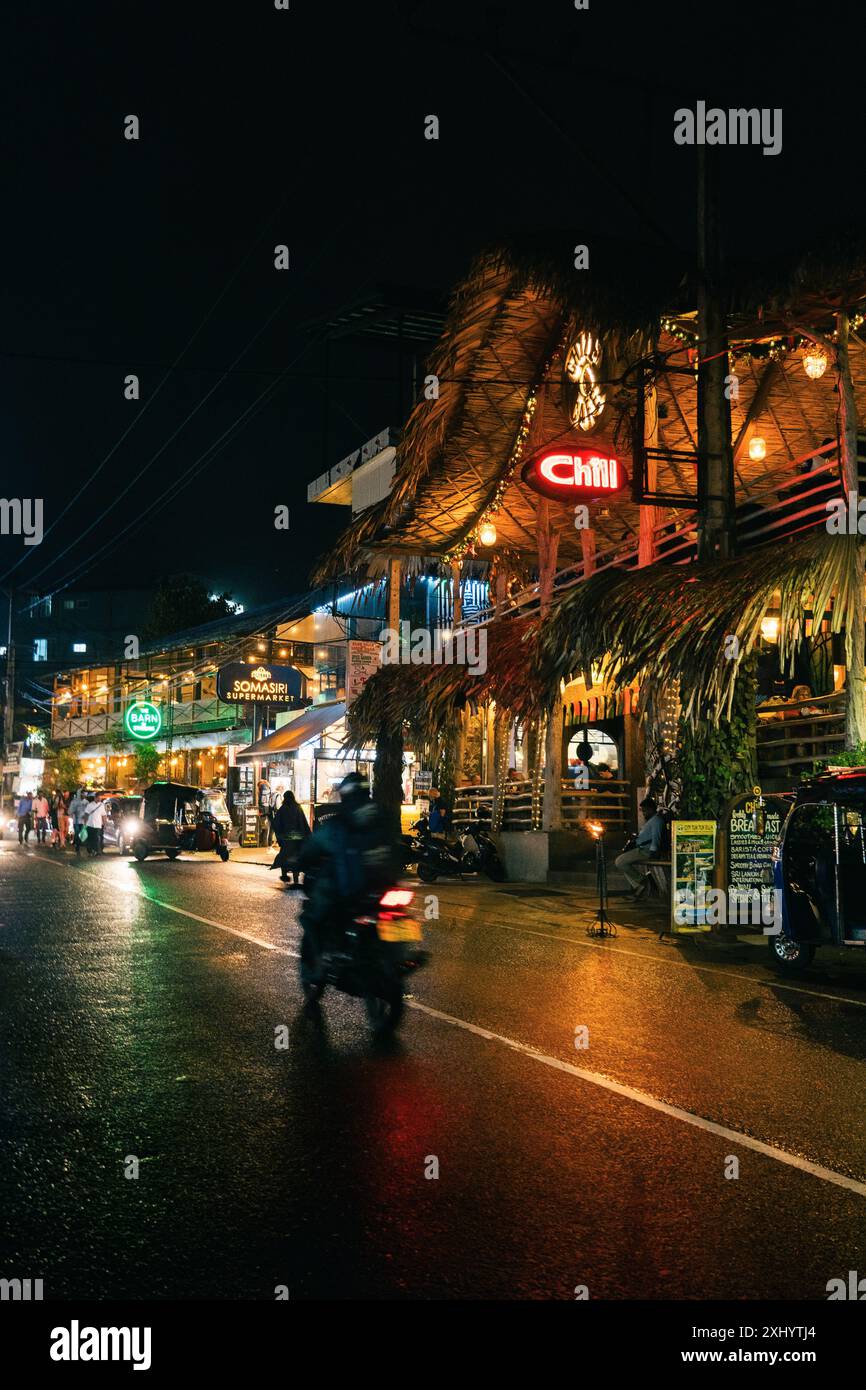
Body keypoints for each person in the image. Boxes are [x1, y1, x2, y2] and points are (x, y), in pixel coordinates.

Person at [295, 772, 399, 997]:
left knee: (314, 915)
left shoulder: (340, 820)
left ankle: (323, 961)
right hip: (385, 885)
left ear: (345, 794)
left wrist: (299, 859)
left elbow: (314, 846)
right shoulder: (382, 814)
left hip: (351, 888)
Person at [615, 796, 666, 898]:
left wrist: (653, 852)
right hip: (642, 848)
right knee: (622, 862)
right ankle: (639, 886)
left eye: (645, 811)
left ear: (651, 809)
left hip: (646, 850)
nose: (643, 813)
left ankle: (642, 881)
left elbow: (656, 837)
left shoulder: (656, 821)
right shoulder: (652, 820)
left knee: (620, 862)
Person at [268, 790, 311, 884]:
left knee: (284, 857)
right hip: (297, 838)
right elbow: (303, 822)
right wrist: (307, 836)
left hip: (286, 838)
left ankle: (284, 875)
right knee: (296, 857)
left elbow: (276, 823)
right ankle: (296, 879)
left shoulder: (283, 809)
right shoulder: (298, 808)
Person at [68, 788, 88, 856]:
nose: (84, 795)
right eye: (83, 794)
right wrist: (74, 811)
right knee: (77, 834)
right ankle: (77, 847)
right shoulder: (74, 802)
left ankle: (81, 845)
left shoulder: (86, 802)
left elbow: (88, 811)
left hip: (83, 821)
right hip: (76, 821)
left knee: (82, 835)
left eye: (85, 794)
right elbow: (70, 811)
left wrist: (86, 816)